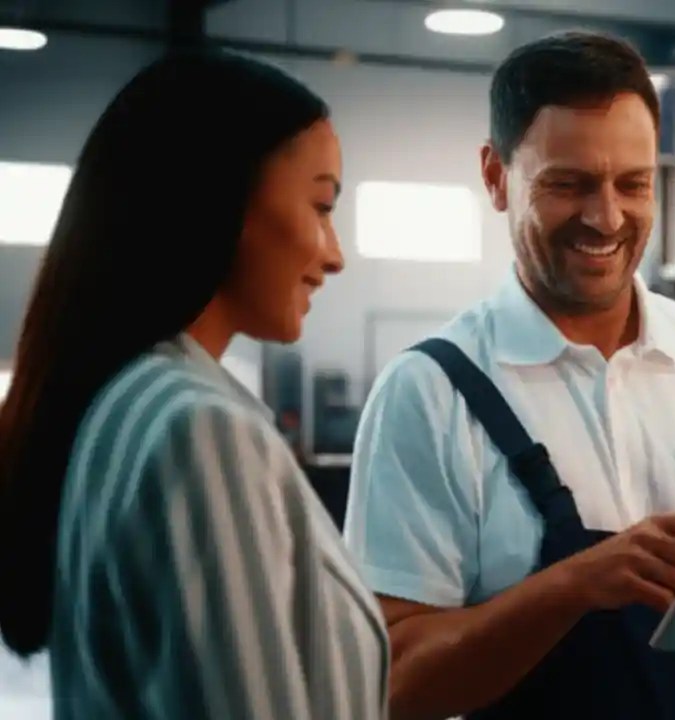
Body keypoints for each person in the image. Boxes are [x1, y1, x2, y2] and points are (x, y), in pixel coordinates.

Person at [344, 31, 675, 720]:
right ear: (495, 176)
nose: (607, 217)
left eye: (634, 184)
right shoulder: (430, 393)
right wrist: (573, 588)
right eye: (568, 185)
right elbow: (393, 684)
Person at [0, 49, 388, 718]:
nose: (334, 253)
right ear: (218, 198)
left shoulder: (128, 402)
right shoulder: (200, 432)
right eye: (321, 205)